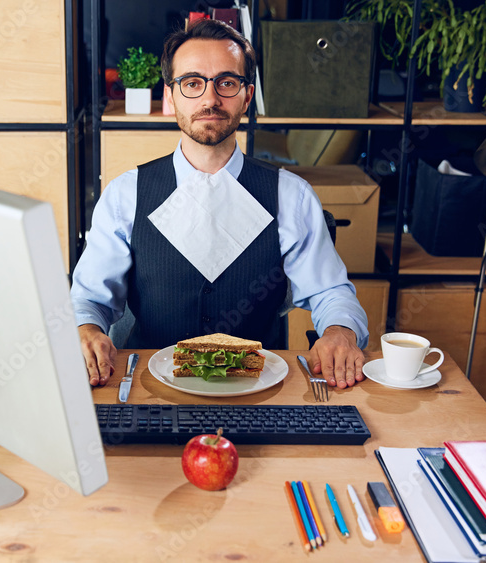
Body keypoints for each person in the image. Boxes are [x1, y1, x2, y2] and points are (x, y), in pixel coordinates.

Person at [71, 19, 368, 389]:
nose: (210, 100)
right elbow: (90, 299)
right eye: (192, 83)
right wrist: (85, 329)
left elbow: (330, 292)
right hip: (148, 392)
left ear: (246, 95)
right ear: (172, 96)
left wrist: (341, 330)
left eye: (226, 83)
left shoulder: (291, 195)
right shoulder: (124, 194)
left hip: (261, 391)